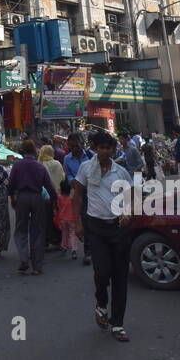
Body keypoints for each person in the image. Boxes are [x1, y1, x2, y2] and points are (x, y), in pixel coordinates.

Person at [73, 131, 134, 342]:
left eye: (109, 148)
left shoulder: (121, 172)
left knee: (120, 277)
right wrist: (78, 222)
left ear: (114, 149)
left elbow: (130, 196)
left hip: (118, 229)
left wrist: (128, 212)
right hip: (96, 228)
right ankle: (101, 303)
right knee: (102, 272)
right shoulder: (86, 168)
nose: (105, 152)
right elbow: (78, 195)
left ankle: (118, 324)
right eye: (101, 147)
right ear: (95, 148)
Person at [9, 140, 58, 275]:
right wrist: (54, 201)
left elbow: (11, 184)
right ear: (34, 151)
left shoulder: (17, 165)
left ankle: (24, 258)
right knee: (38, 231)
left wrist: (12, 198)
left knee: (21, 229)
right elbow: (49, 186)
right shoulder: (40, 166)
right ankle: (37, 266)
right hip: (37, 198)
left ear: (22, 151)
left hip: (22, 198)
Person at [38, 144, 65, 250]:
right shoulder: (57, 163)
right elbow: (63, 177)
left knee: (45, 218)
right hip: (58, 194)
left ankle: (46, 240)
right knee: (57, 217)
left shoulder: (40, 164)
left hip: (44, 196)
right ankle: (58, 240)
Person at [54, 178, 80, 259]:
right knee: (72, 233)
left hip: (62, 219)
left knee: (64, 233)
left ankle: (64, 247)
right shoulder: (71, 199)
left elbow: (57, 206)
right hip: (71, 219)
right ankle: (74, 250)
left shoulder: (59, 197)